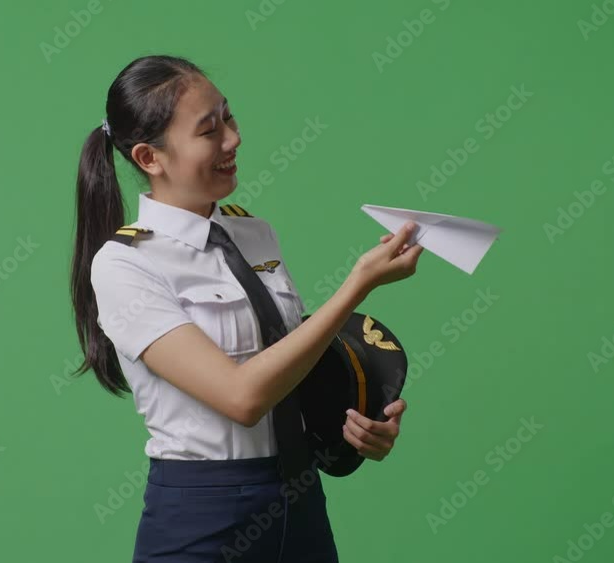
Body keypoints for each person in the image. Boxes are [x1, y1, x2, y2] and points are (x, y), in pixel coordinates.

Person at [69, 55, 424, 562]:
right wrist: (357, 285)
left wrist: (355, 424)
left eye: (228, 118)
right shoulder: (125, 266)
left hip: (300, 504)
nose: (232, 139)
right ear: (150, 158)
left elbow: (290, 370)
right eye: (209, 130)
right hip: (204, 514)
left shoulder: (253, 233)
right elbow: (242, 396)